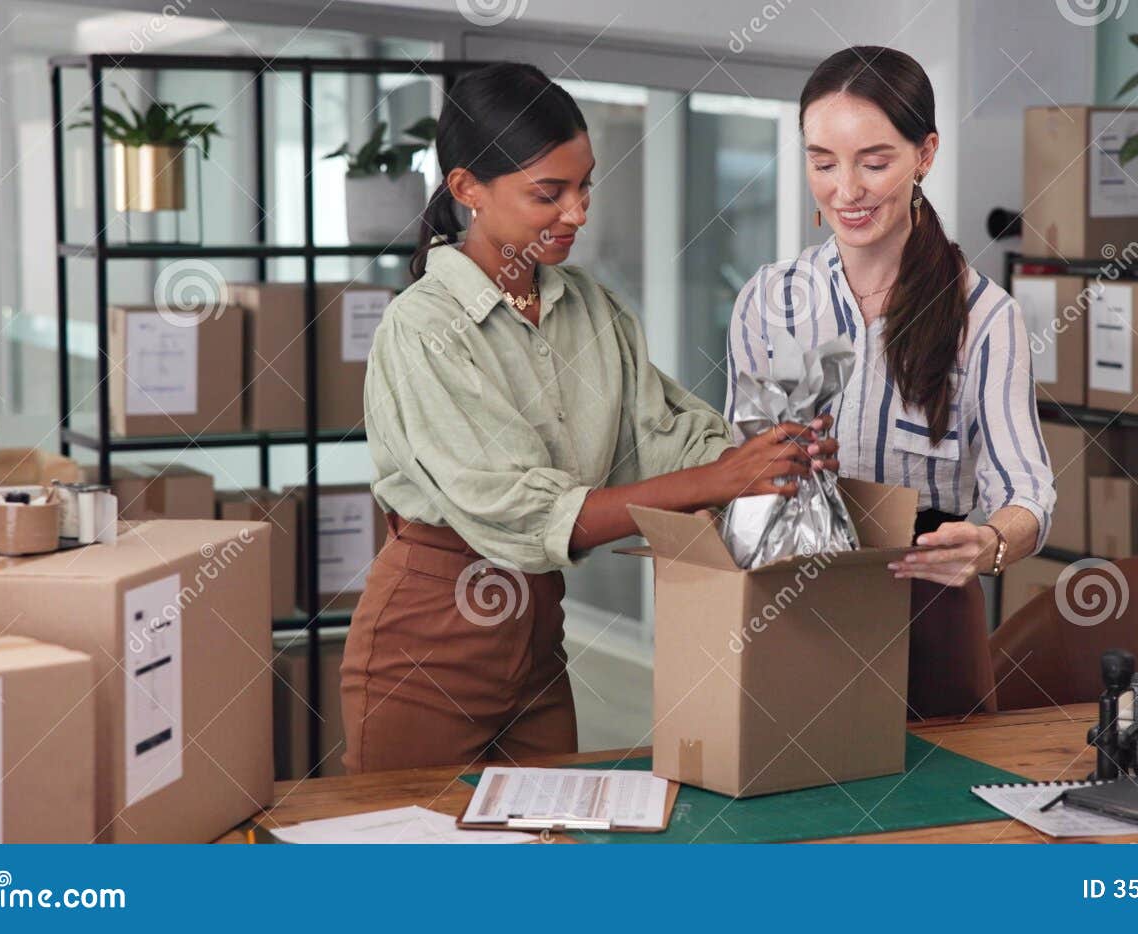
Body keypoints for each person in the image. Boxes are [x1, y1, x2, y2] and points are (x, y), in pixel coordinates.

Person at [343, 62, 839, 773]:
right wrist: (723, 478)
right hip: (427, 645)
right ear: (466, 190)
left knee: (553, 852)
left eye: (584, 187)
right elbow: (526, 517)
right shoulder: (423, 330)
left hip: (540, 638)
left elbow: (668, 440)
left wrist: (778, 455)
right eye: (550, 193)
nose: (577, 212)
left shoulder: (591, 308)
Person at [726, 46, 1056, 719]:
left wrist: (991, 544)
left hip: (925, 613)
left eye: (874, 163)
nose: (846, 190)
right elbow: (736, 466)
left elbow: (1027, 491)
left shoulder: (985, 316)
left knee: (929, 817)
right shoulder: (770, 300)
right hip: (792, 604)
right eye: (823, 163)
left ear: (924, 155)